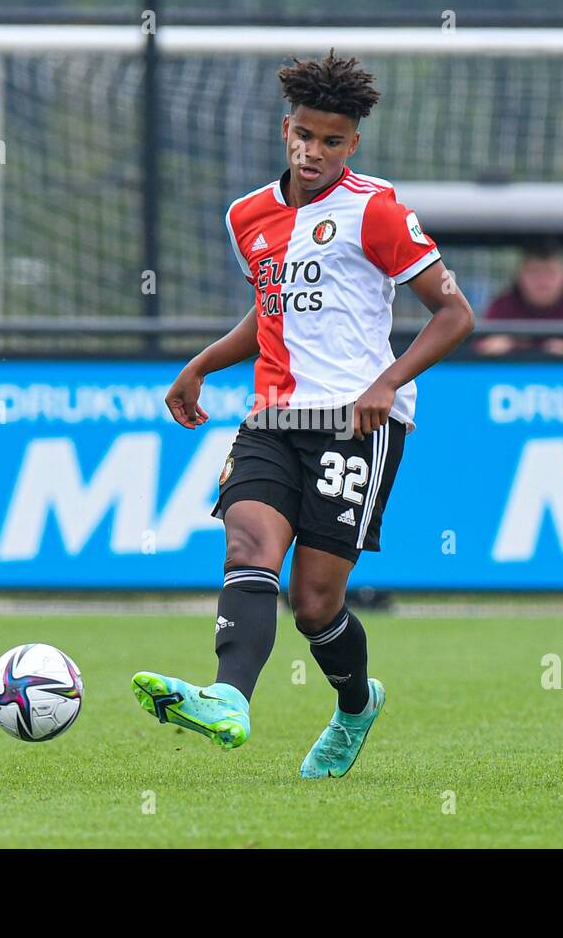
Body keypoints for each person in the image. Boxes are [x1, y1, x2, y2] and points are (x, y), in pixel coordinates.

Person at [132, 50, 474, 778]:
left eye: (332, 141)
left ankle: (355, 706)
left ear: (353, 145)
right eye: (304, 136)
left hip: (357, 424)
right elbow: (271, 315)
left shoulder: (377, 212)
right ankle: (228, 698)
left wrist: (387, 381)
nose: (313, 151)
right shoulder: (247, 217)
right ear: (286, 129)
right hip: (273, 418)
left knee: (316, 605)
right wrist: (200, 364)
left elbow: (454, 314)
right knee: (248, 547)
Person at [474, 238, 563, 356]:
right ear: (520, 276)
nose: (542, 281)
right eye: (534, 271)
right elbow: (480, 347)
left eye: (550, 272)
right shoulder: (502, 305)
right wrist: (492, 348)